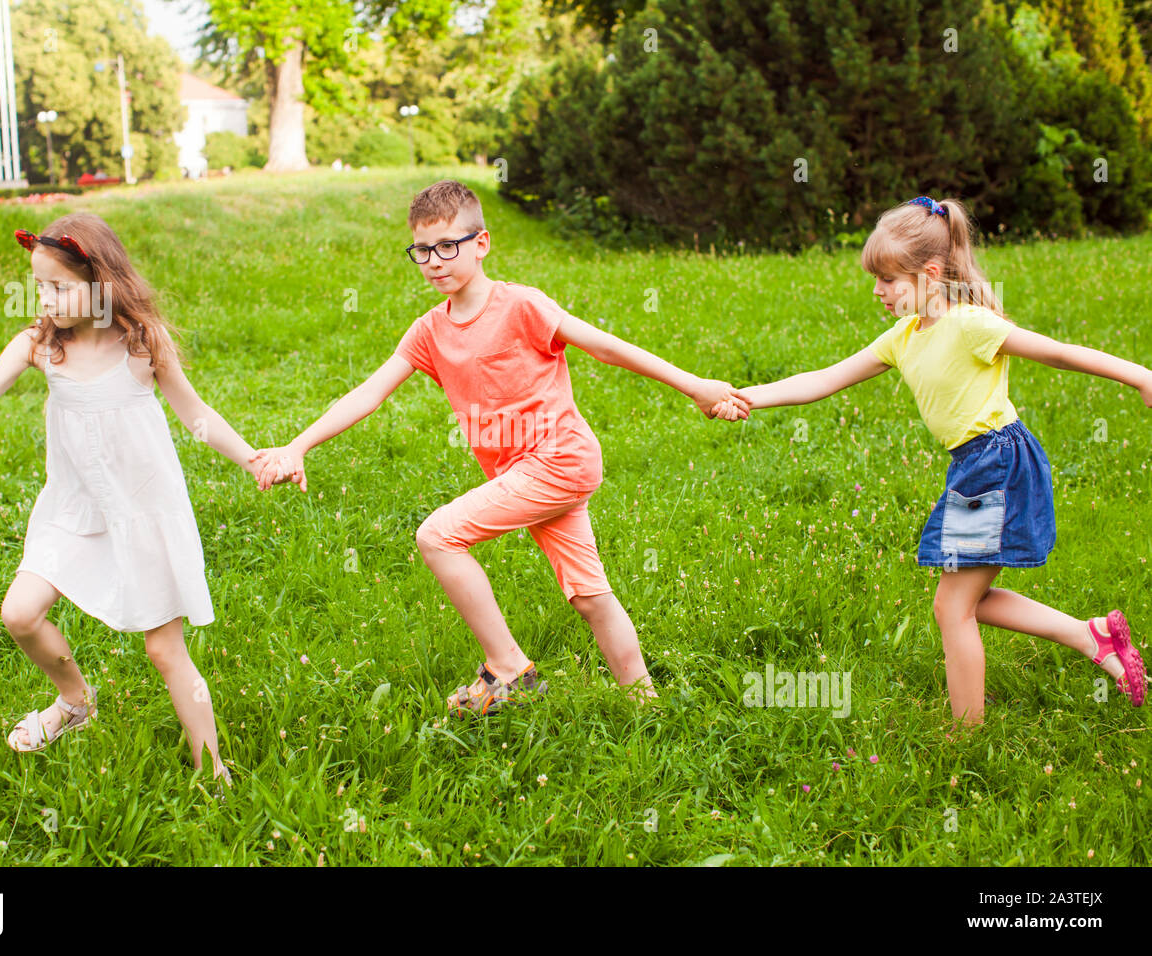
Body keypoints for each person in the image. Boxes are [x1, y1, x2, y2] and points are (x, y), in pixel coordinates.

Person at [253, 180, 748, 715]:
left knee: (438, 536)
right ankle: (647, 704)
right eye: (421, 251)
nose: (434, 261)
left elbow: (606, 347)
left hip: (558, 459)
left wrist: (696, 386)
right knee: (588, 593)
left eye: (448, 246)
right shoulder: (428, 331)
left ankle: (509, 668)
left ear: (481, 243)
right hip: (526, 472)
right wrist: (299, 444)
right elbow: (369, 394)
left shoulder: (521, 305)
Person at [727, 196, 1149, 725]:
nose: (878, 292)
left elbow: (1060, 351)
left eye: (888, 280)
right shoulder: (904, 335)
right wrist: (745, 395)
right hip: (975, 466)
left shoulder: (971, 325)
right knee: (967, 601)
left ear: (929, 273)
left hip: (998, 462)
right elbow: (822, 380)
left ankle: (966, 737)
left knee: (953, 608)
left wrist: (1140, 376)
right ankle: (1091, 636)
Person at [0, 212, 259, 783]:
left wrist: (252, 456)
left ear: (101, 282)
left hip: (143, 509)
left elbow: (194, 413)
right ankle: (76, 703)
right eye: (39, 287)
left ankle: (214, 770)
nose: (46, 299)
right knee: (20, 613)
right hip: (74, 508)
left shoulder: (142, 343)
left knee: (164, 650)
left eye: (59, 286)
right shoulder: (39, 345)